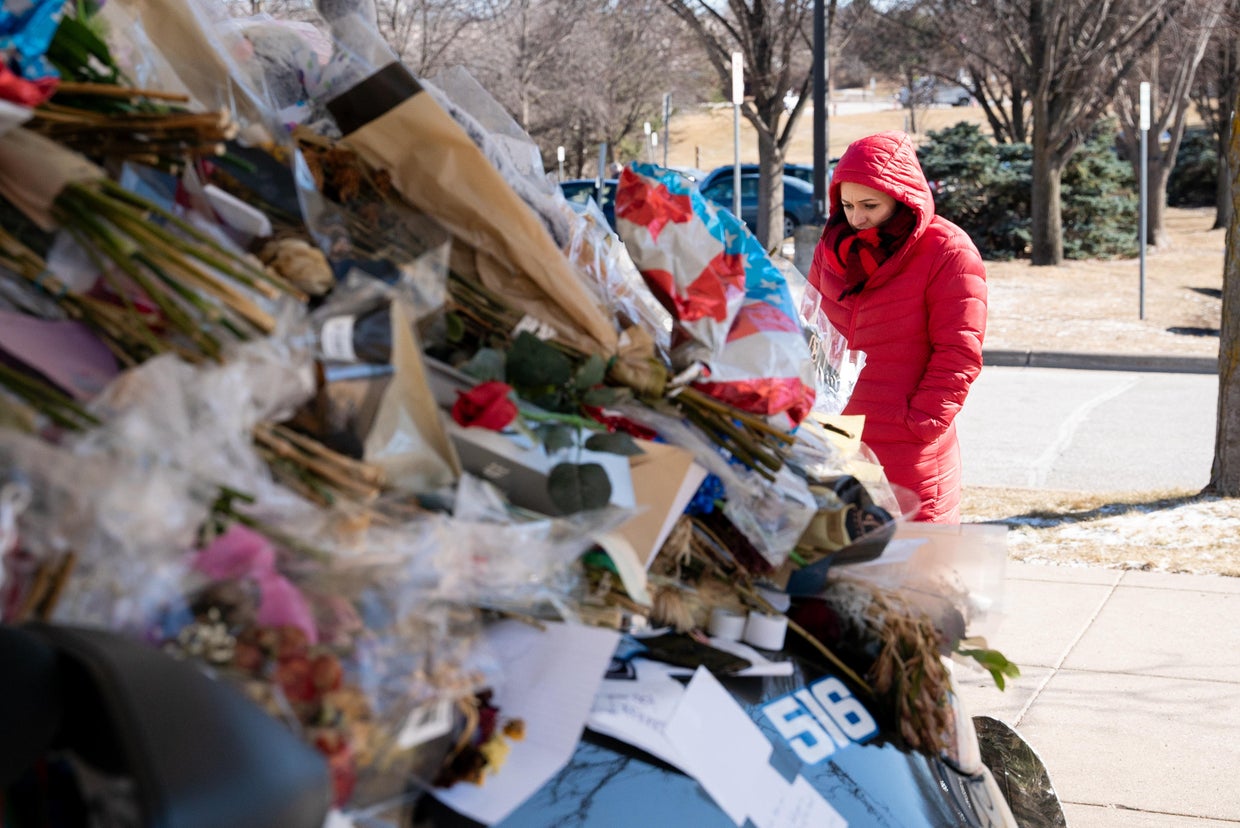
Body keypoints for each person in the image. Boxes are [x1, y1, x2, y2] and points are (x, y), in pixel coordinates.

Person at [807, 130, 987, 523]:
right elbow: (813, 328)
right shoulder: (832, 245)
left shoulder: (947, 250)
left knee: (917, 572)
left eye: (869, 204)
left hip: (908, 446)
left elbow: (959, 353)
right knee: (850, 567)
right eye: (847, 204)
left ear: (901, 195)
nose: (856, 218)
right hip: (839, 437)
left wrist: (920, 424)